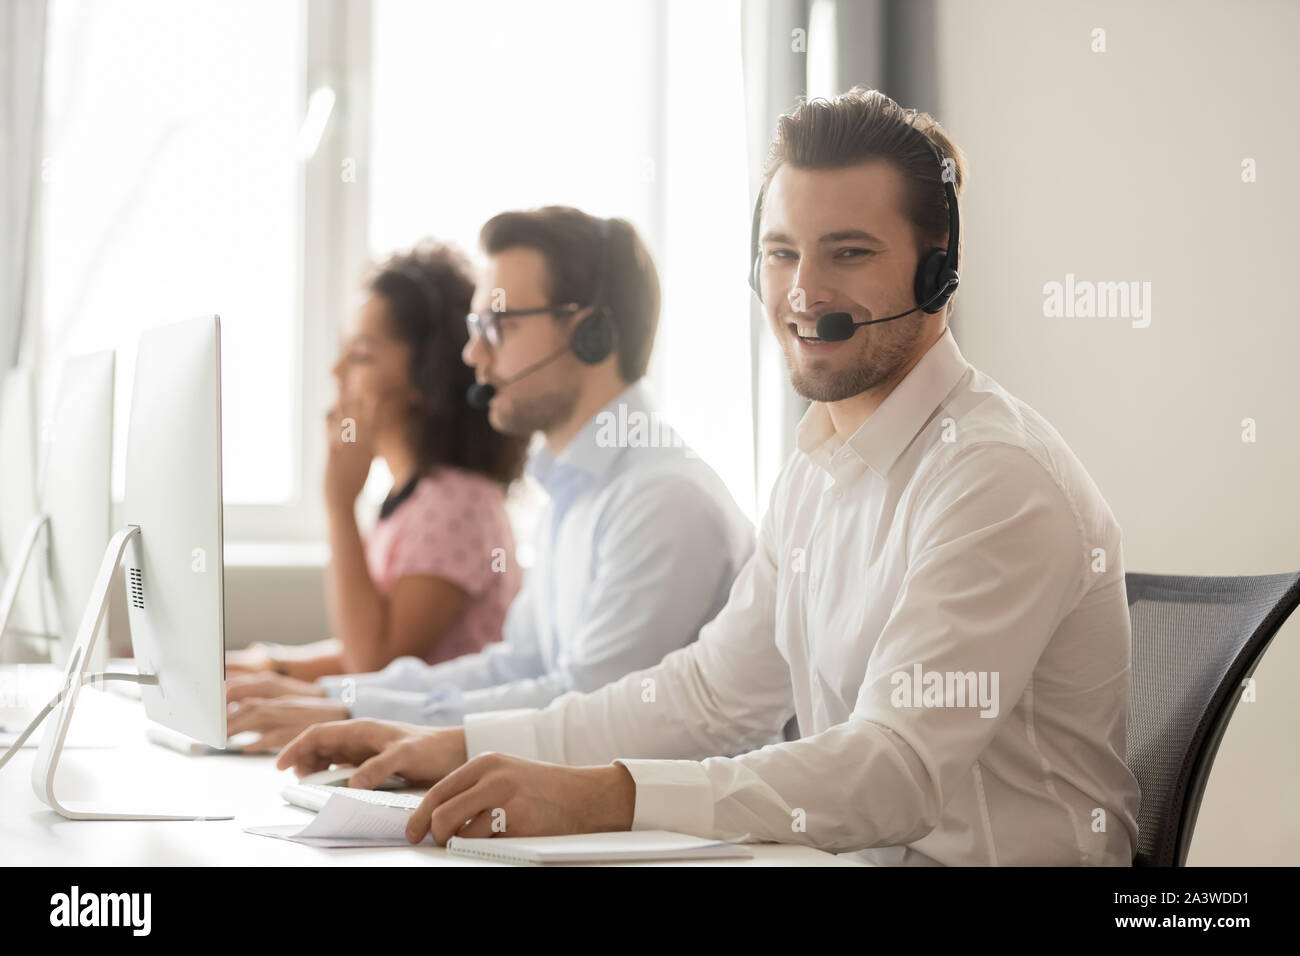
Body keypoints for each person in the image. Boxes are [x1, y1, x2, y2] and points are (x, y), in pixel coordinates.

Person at [275, 88, 1143, 867]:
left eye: (847, 252)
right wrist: (465, 743)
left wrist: (605, 796)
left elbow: (897, 769)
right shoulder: (818, 473)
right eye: (780, 253)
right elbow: (710, 694)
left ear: (936, 267)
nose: (802, 293)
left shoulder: (993, 478)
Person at [226, 207, 755, 751]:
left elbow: (589, 710)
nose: (472, 353)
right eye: (476, 327)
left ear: (591, 334)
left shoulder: (662, 502)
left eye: (499, 325)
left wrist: (355, 718)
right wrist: (342, 703)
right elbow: (517, 665)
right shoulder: (574, 493)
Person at [226, 241, 528, 692]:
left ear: (426, 378)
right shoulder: (415, 497)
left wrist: (339, 505)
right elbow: (363, 646)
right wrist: (268, 667)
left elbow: (375, 665)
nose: (336, 371)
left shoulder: (456, 505)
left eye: (362, 355)